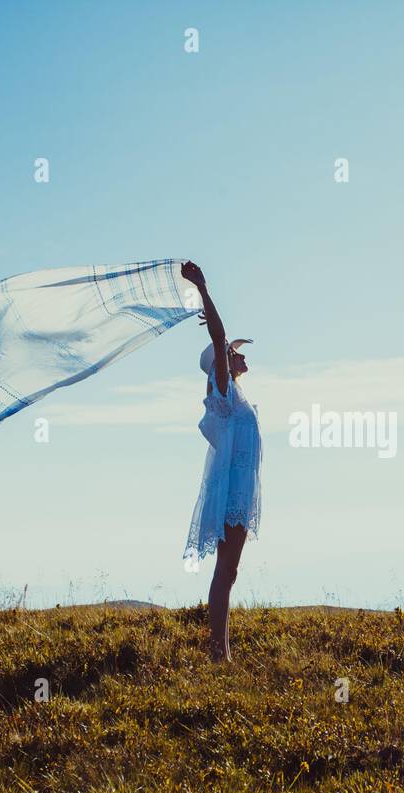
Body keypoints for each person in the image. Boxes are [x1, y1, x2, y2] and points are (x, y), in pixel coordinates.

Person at [181, 261, 262, 663]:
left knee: (228, 572)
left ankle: (223, 652)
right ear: (222, 363)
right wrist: (203, 290)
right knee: (225, 571)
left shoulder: (237, 398)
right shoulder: (224, 391)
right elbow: (219, 334)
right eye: (233, 353)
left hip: (239, 489)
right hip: (231, 489)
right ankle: (218, 653)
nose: (238, 355)